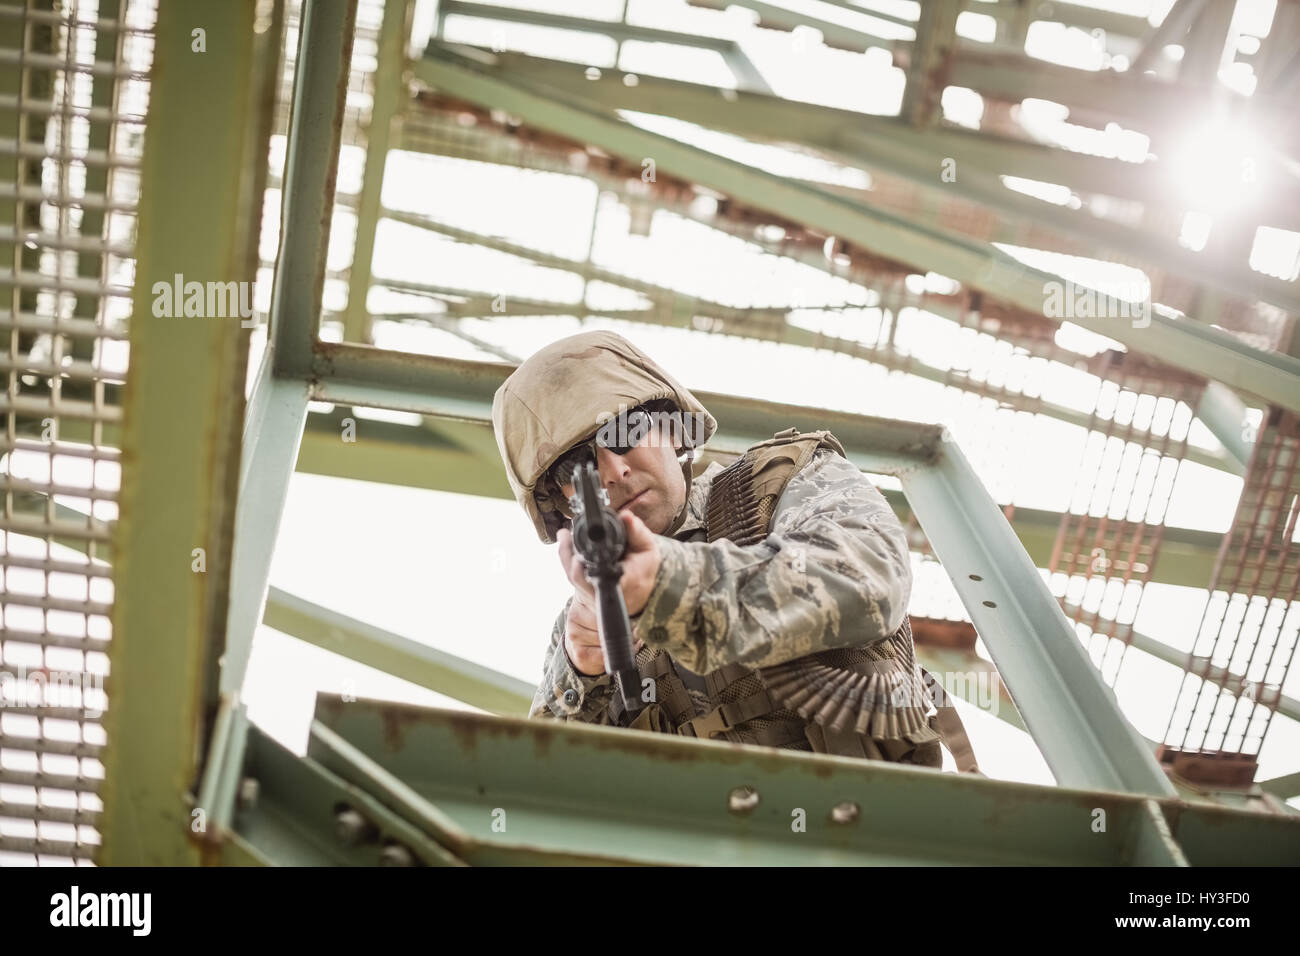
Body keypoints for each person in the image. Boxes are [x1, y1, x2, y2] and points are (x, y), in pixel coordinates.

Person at [491, 329, 977, 769]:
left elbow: (870, 578)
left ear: (670, 426)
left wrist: (670, 585)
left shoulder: (777, 485)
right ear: (562, 503)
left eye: (626, 431)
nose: (614, 471)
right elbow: (541, 784)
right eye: (579, 467)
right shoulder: (581, 629)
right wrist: (581, 675)